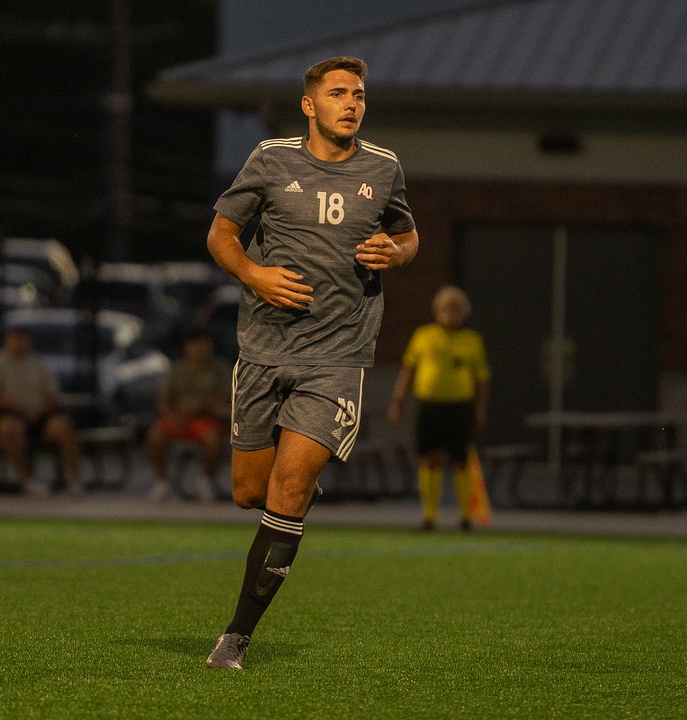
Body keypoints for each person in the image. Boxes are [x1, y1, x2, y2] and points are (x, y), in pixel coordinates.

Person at [203, 56, 418, 670]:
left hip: (338, 355)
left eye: (359, 94)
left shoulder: (384, 168)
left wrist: (396, 253)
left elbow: (408, 236)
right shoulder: (270, 159)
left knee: (289, 489)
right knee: (251, 493)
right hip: (266, 350)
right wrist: (254, 274)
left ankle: (235, 639)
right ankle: (293, 488)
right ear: (309, 104)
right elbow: (220, 234)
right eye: (338, 93)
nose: (352, 103)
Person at [388, 286, 491, 531]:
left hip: (459, 408)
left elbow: (482, 381)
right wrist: (397, 401)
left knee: (460, 461)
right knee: (429, 459)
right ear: (436, 310)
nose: (450, 313)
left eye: (455, 308)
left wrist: (479, 410)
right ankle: (429, 516)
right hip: (429, 407)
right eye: (446, 308)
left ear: (464, 312)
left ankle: (466, 517)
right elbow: (408, 370)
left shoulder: (472, 341)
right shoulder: (423, 336)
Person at [0, 325, 83, 496]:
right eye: (16, 338)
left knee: (64, 427)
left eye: (23, 339)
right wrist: (14, 407)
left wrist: (41, 411)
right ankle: (26, 481)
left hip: (40, 417)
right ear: (8, 340)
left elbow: (52, 395)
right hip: (13, 415)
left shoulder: (37, 364)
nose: (20, 343)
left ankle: (75, 480)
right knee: (8, 428)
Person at [145, 330, 232, 503]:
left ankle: (206, 479)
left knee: (213, 439)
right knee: (155, 435)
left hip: (208, 419)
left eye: (203, 345)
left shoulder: (220, 368)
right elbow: (163, 399)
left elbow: (229, 395)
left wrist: (201, 406)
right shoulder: (178, 369)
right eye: (195, 345)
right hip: (178, 418)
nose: (199, 349)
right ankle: (162, 480)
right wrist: (173, 416)